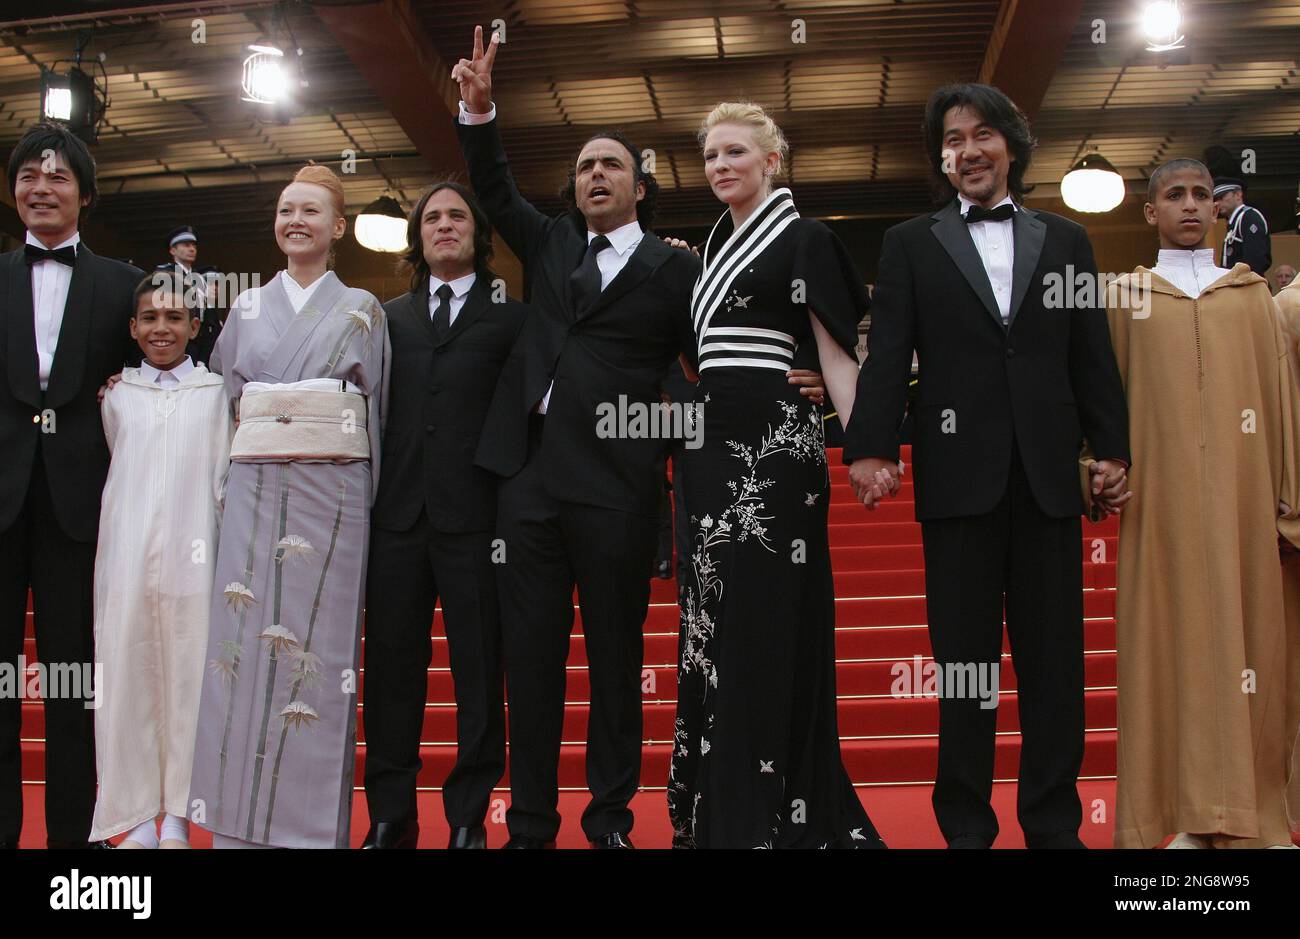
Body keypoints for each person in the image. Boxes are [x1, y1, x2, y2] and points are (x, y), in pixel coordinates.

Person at [844, 83, 1131, 849]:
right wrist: (870, 444)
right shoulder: (910, 242)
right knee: (965, 670)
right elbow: (889, 353)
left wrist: (1112, 449)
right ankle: (966, 827)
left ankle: (1054, 826)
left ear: (1011, 144)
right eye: (951, 140)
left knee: (1054, 668)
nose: (966, 150)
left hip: (1047, 481)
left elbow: (1089, 354)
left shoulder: (1066, 241)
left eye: (981, 135)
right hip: (957, 481)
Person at [668, 101, 885, 848]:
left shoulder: (807, 238)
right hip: (705, 448)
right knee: (712, 623)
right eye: (711, 156)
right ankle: (718, 810)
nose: (722, 165)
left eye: (736, 152)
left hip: (773, 448)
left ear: (772, 160)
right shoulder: (707, 250)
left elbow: (835, 355)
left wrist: (864, 446)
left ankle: (773, 808)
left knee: (764, 619)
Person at [188, 163, 390, 849]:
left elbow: (375, 412)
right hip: (253, 487)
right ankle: (241, 825)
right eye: (285, 210)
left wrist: (365, 495)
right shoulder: (245, 308)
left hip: (331, 495)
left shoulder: (364, 305)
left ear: (337, 227)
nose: (295, 220)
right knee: (243, 646)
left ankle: (309, 831)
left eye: (310, 210)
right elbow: (219, 401)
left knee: (319, 658)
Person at [1105, 159, 1300, 849]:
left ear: (1218, 211)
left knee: (1256, 652)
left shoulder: (1250, 298)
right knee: (1167, 647)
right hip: (1161, 507)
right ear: (1150, 212)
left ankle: (1250, 816)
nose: (1190, 205)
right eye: (1173, 196)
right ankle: (1182, 815)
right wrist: (1093, 470)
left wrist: (1288, 501)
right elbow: (1103, 402)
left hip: (1246, 506)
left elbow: (1281, 398)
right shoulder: (1124, 295)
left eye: (1200, 195)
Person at [361, 181, 526, 850]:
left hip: (478, 523)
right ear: (417, 236)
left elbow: (522, 422)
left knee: (480, 672)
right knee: (391, 672)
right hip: (395, 517)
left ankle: (467, 816)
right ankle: (391, 814)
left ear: (479, 235)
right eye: (432, 217)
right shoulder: (382, 318)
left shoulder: (511, 318)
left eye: (459, 214)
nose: (445, 225)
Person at [0, 123, 141, 850]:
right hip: (0, 505)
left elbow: (160, 377)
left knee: (69, 685)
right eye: (28, 175)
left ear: (84, 194)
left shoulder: (124, 285)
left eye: (57, 177)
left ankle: (70, 846)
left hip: (79, 512)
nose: (41, 188)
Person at [89, 275, 230, 849]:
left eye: (175, 318)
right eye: (149, 318)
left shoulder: (217, 393)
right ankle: (135, 817)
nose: (162, 328)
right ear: (133, 328)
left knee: (191, 681)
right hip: (127, 558)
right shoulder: (118, 396)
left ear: (195, 327)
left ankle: (178, 815)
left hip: (197, 558)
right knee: (130, 678)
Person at [154, 226, 219, 367]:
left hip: (197, 343)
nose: (192, 249)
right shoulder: (165, 274)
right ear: (173, 250)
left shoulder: (199, 279)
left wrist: (204, 355)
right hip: (176, 341)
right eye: (186, 245)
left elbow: (206, 316)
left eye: (194, 245)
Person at [1214, 177, 1272, 275]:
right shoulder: (1235, 220)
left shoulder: (1249, 217)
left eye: (1222, 197)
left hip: (1247, 286)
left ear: (1238, 194)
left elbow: (1255, 260)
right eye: (1216, 199)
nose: (1218, 203)